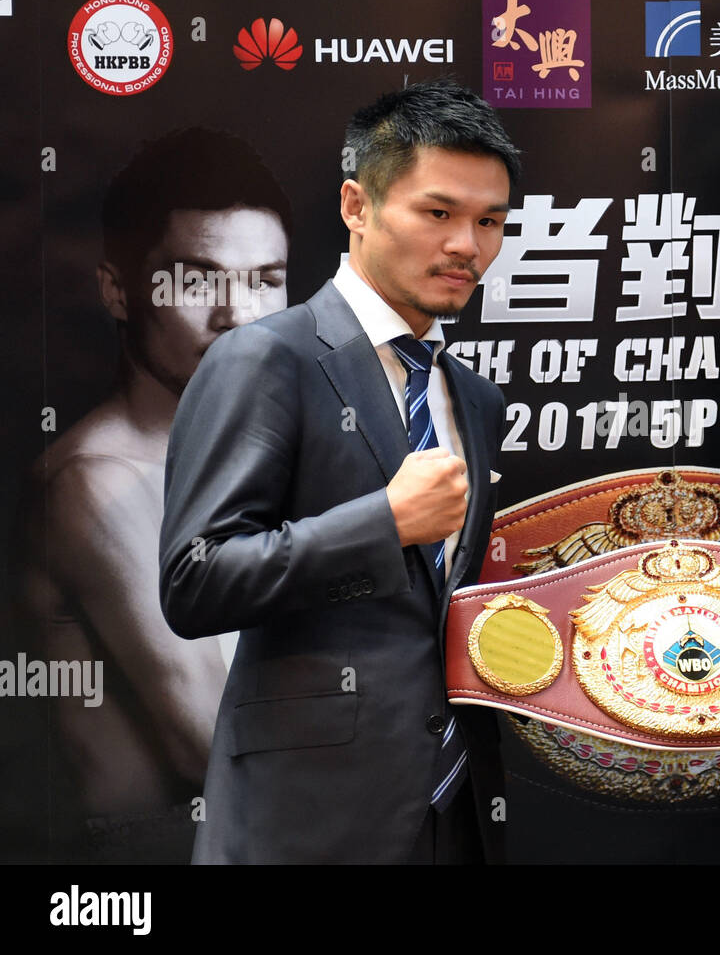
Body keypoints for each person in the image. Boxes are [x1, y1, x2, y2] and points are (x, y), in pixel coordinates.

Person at [158, 81, 517, 863]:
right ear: (356, 206)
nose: (469, 245)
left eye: (490, 221)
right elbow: (194, 580)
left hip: (455, 809)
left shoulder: (476, 400)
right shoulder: (264, 357)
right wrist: (382, 522)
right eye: (439, 213)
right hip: (305, 820)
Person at [16, 127, 291, 860]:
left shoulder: (249, 457)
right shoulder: (96, 480)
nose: (238, 316)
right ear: (119, 290)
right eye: (198, 279)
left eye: (266, 279)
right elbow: (214, 744)